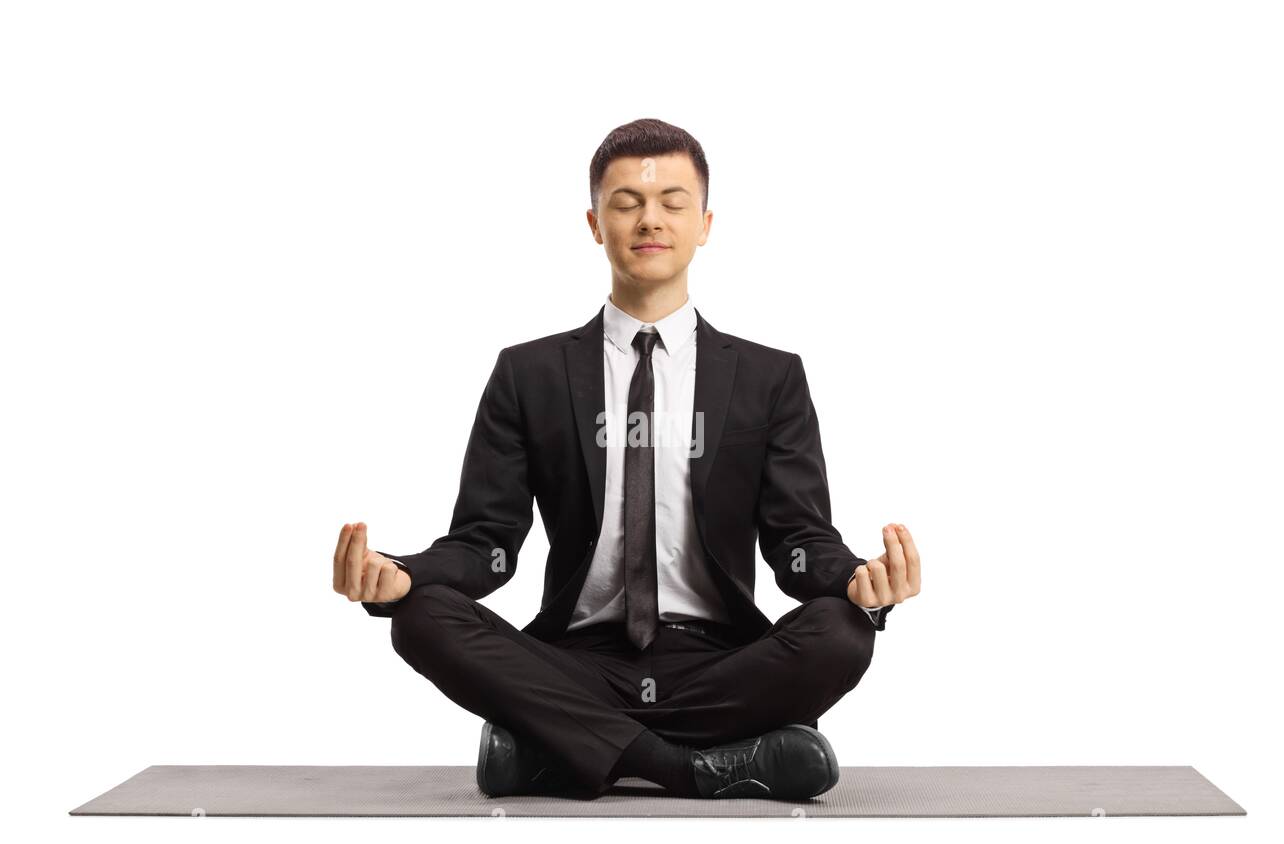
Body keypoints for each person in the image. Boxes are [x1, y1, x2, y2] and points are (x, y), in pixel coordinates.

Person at [332, 118, 920, 800]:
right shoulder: (531, 374)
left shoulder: (769, 378)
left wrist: (856, 581)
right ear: (594, 222)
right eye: (626, 202)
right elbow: (486, 546)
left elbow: (797, 541)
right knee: (423, 620)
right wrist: (403, 577)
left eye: (672, 202)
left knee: (842, 634)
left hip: (721, 660)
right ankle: (694, 767)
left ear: (704, 223)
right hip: (577, 660)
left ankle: (554, 748)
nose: (650, 219)